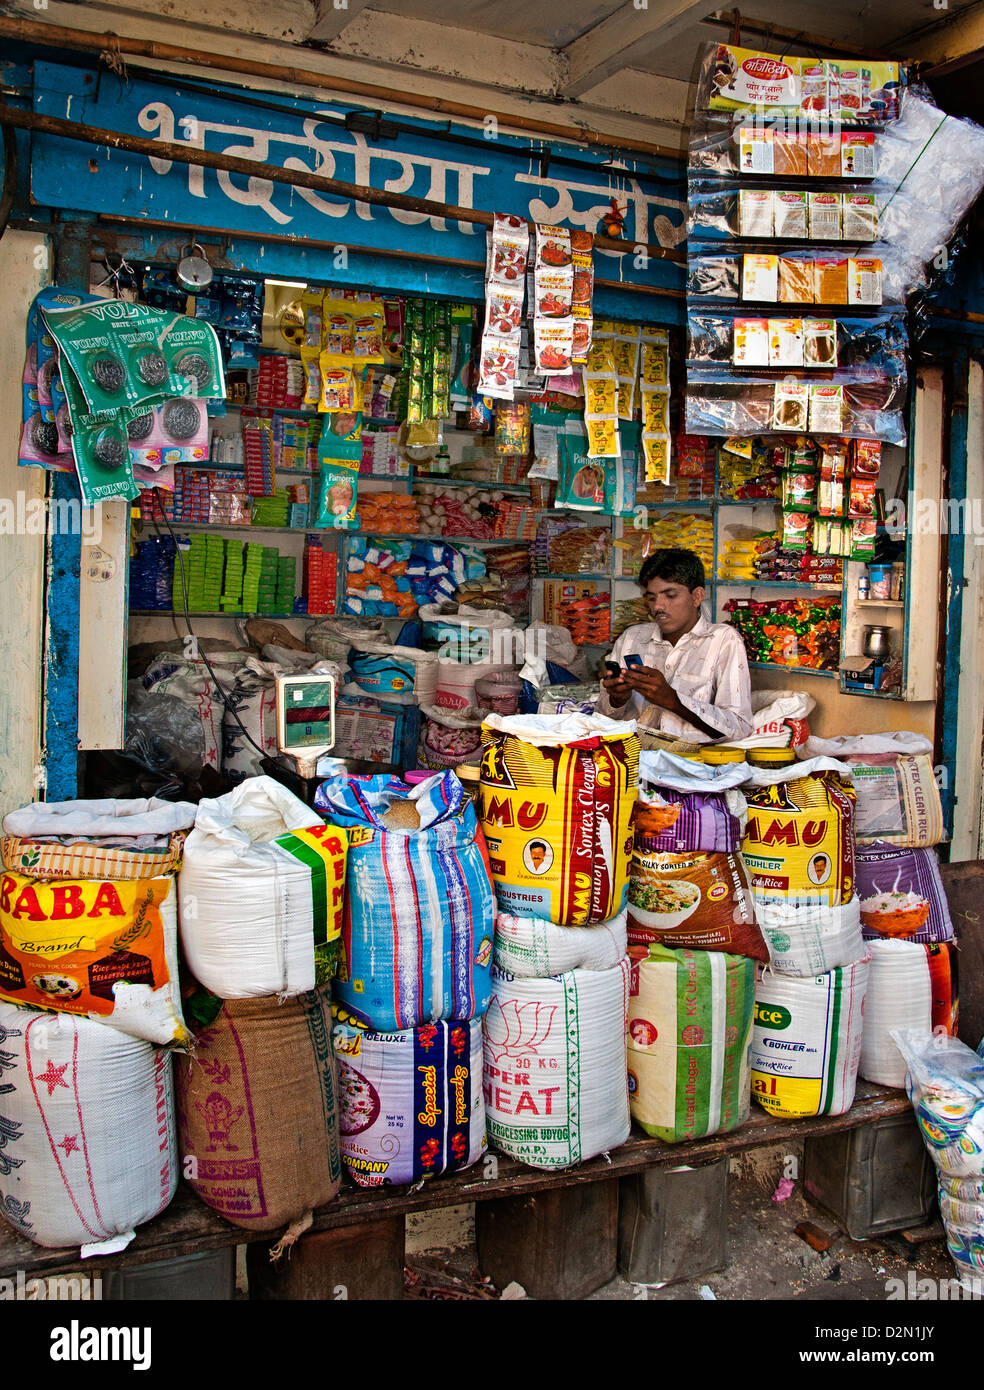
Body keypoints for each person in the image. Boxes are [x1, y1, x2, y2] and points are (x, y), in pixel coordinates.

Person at [598, 547, 753, 743]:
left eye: (670, 595)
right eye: (651, 598)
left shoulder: (723, 640)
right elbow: (602, 718)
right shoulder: (633, 638)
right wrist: (616, 699)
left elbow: (739, 727)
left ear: (696, 596)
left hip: (695, 763)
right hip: (635, 757)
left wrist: (674, 701)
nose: (658, 606)